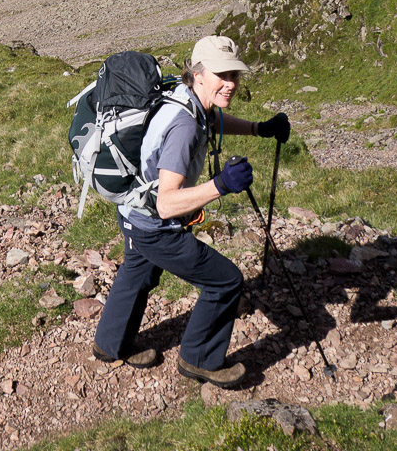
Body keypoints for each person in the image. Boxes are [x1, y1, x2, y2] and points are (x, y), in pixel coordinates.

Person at [92, 34, 291, 388]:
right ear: (198, 74)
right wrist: (221, 185)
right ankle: (199, 359)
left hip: (132, 213)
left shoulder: (185, 99)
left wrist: (260, 129)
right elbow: (167, 204)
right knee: (226, 281)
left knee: (138, 273)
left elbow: (212, 121)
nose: (230, 83)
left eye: (234, 75)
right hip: (155, 225)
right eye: (221, 75)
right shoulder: (183, 125)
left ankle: (110, 345)